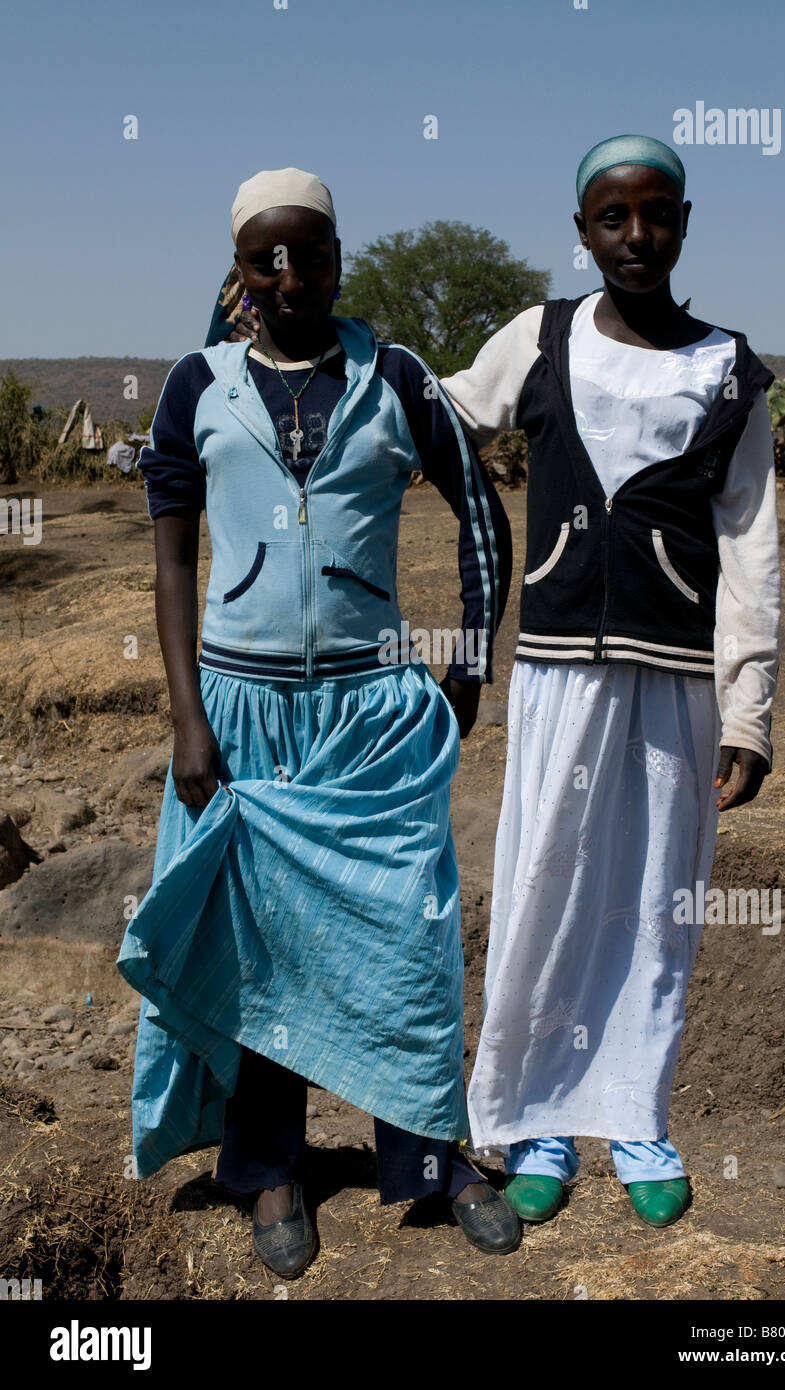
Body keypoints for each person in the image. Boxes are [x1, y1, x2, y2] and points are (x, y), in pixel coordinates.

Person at [117, 166, 519, 1279]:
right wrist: (186, 715)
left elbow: (479, 509)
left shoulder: (395, 379)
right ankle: (268, 1170)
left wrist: (470, 658)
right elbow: (169, 555)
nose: (287, 276)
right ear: (240, 274)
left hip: (367, 711)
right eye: (264, 259)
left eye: (308, 255)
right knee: (254, 951)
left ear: (338, 262)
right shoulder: (198, 384)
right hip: (240, 712)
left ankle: (430, 1161)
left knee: (406, 941)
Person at [435, 134, 781, 1228]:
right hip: (555, 679)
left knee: (651, 902)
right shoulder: (537, 338)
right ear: (579, 229)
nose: (635, 237)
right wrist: (325, 351)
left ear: (685, 221)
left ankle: (634, 1113)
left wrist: (749, 708)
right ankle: (530, 1113)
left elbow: (751, 547)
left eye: (656, 215)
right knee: (545, 885)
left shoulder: (725, 366)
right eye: (610, 218)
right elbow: (436, 411)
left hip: (674, 684)